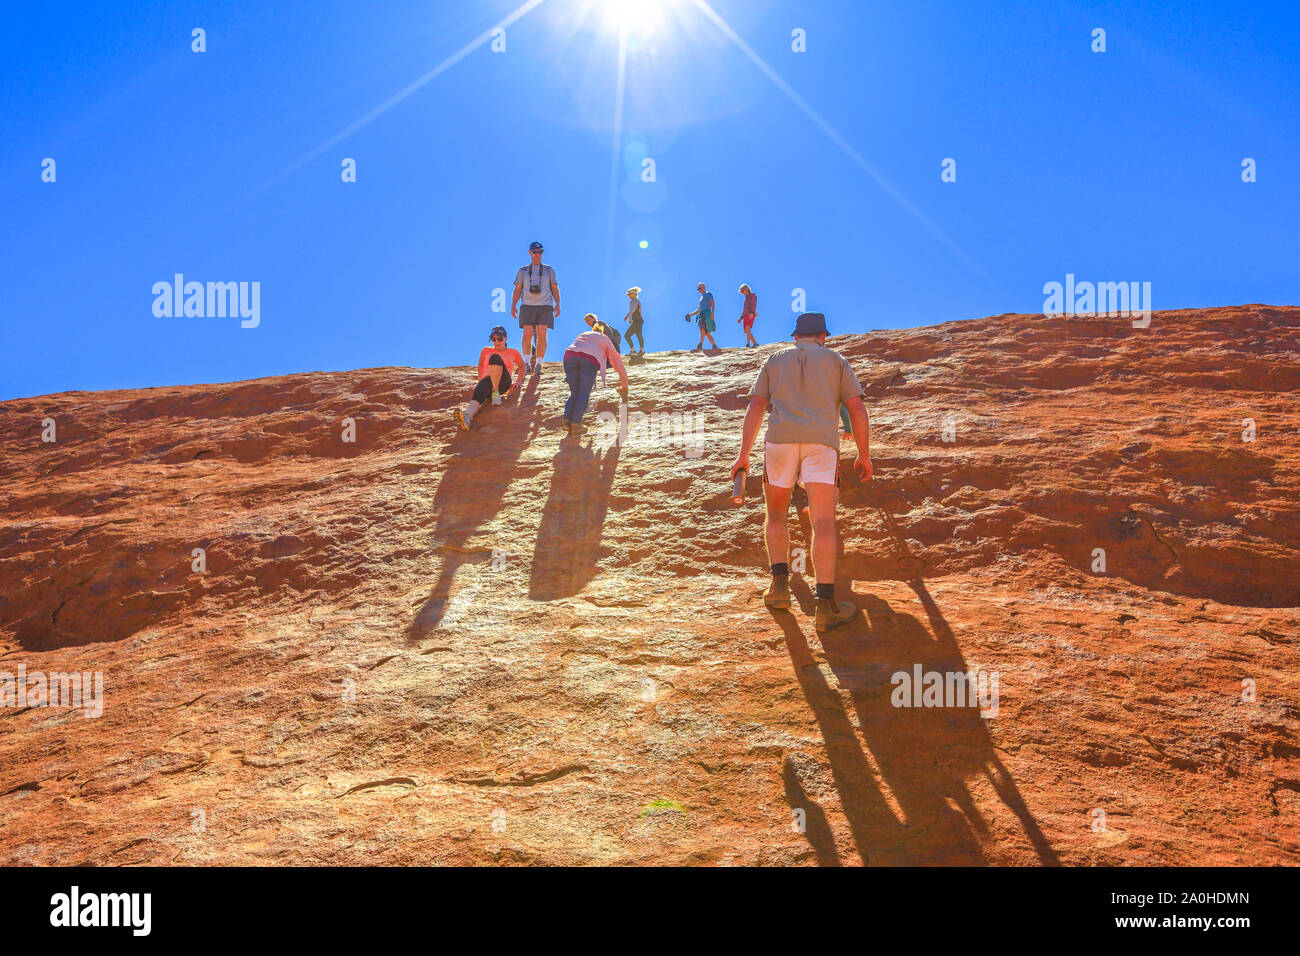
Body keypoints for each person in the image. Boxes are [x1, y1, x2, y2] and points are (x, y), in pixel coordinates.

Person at [730, 312, 872, 632]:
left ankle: (779, 587)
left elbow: (756, 406)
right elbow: (857, 409)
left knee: (776, 512)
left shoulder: (775, 360)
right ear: (823, 335)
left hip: (779, 442)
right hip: (821, 444)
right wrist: (864, 455)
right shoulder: (836, 360)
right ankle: (825, 606)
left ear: (796, 337)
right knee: (822, 521)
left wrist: (743, 456)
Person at [562, 313, 629, 435]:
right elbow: (618, 363)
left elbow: (577, 347)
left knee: (574, 393)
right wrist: (625, 386)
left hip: (569, 356)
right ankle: (575, 424)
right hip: (589, 360)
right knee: (583, 393)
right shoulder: (605, 339)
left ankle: (567, 421)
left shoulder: (584, 334)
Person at [453, 325, 527, 431]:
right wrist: (479, 382)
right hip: (487, 382)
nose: (496, 341)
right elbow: (481, 365)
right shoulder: (486, 350)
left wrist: (518, 381)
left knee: (495, 358)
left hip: (503, 382)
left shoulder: (513, 352)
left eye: (499, 339)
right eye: (493, 339)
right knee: (477, 397)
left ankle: (496, 394)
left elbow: (522, 367)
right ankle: (467, 418)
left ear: (505, 338)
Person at [510, 241, 560, 376]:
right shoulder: (523, 271)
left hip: (545, 305)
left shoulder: (549, 270)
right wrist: (513, 304)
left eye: (540, 252)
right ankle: (526, 363)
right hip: (527, 306)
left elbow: (555, 288)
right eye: (535, 252)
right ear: (530, 253)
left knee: (542, 333)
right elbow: (517, 289)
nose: (538, 255)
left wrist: (558, 304)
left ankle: (538, 364)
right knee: (527, 333)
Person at [684, 281, 718, 351]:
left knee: (702, 330)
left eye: (700, 288)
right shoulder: (701, 298)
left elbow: (713, 303)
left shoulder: (708, 294)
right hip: (702, 315)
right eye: (698, 289)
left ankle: (700, 345)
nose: (699, 290)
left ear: (704, 287)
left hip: (706, 314)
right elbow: (698, 310)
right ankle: (714, 345)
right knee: (706, 332)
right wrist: (690, 314)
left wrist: (713, 313)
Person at [623, 286, 645, 354]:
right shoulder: (632, 301)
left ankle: (640, 350)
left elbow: (633, 310)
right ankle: (634, 350)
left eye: (630, 294)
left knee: (635, 335)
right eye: (628, 294)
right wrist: (627, 316)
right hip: (636, 320)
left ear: (634, 294)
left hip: (638, 319)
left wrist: (630, 318)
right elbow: (631, 311)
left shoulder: (635, 300)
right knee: (629, 335)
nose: (629, 295)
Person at [737, 283, 759, 348]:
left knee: (748, 328)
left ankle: (748, 344)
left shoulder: (753, 295)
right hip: (746, 315)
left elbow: (754, 305)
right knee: (746, 331)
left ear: (746, 289)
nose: (742, 293)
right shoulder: (746, 298)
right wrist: (741, 317)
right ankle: (755, 343)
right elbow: (745, 309)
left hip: (750, 314)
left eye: (742, 291)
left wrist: (752, 313)